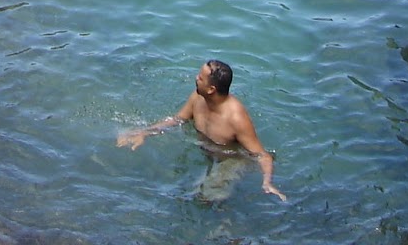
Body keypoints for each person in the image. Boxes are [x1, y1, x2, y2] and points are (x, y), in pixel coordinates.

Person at [118, 60, 284, 202]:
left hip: (232, 159)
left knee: (206, 197)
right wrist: (144, 132)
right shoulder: (198, 97)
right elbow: (177, 120)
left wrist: (267, 182)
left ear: (211, 89)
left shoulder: (236, 118)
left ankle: (226, 226)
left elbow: (263, 155)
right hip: (208, 151)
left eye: (200, 78)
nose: (196, 78)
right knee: (184, 192)